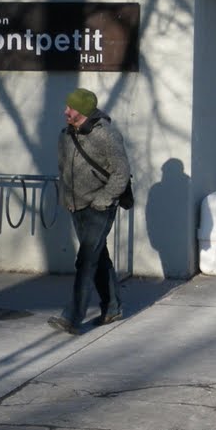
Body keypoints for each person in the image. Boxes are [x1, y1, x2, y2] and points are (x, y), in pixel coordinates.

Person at [50, 87, 130, 335]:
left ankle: (73, 316)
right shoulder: (66, 134)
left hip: (100, 206)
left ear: (82, 111)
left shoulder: (106, 135)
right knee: (97, 258)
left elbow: (121, 172)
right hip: (76, 205)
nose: (65, 111)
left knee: (85, 260)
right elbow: (64, 166)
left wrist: (104, 199)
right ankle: (113, 307)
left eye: (70, 108)